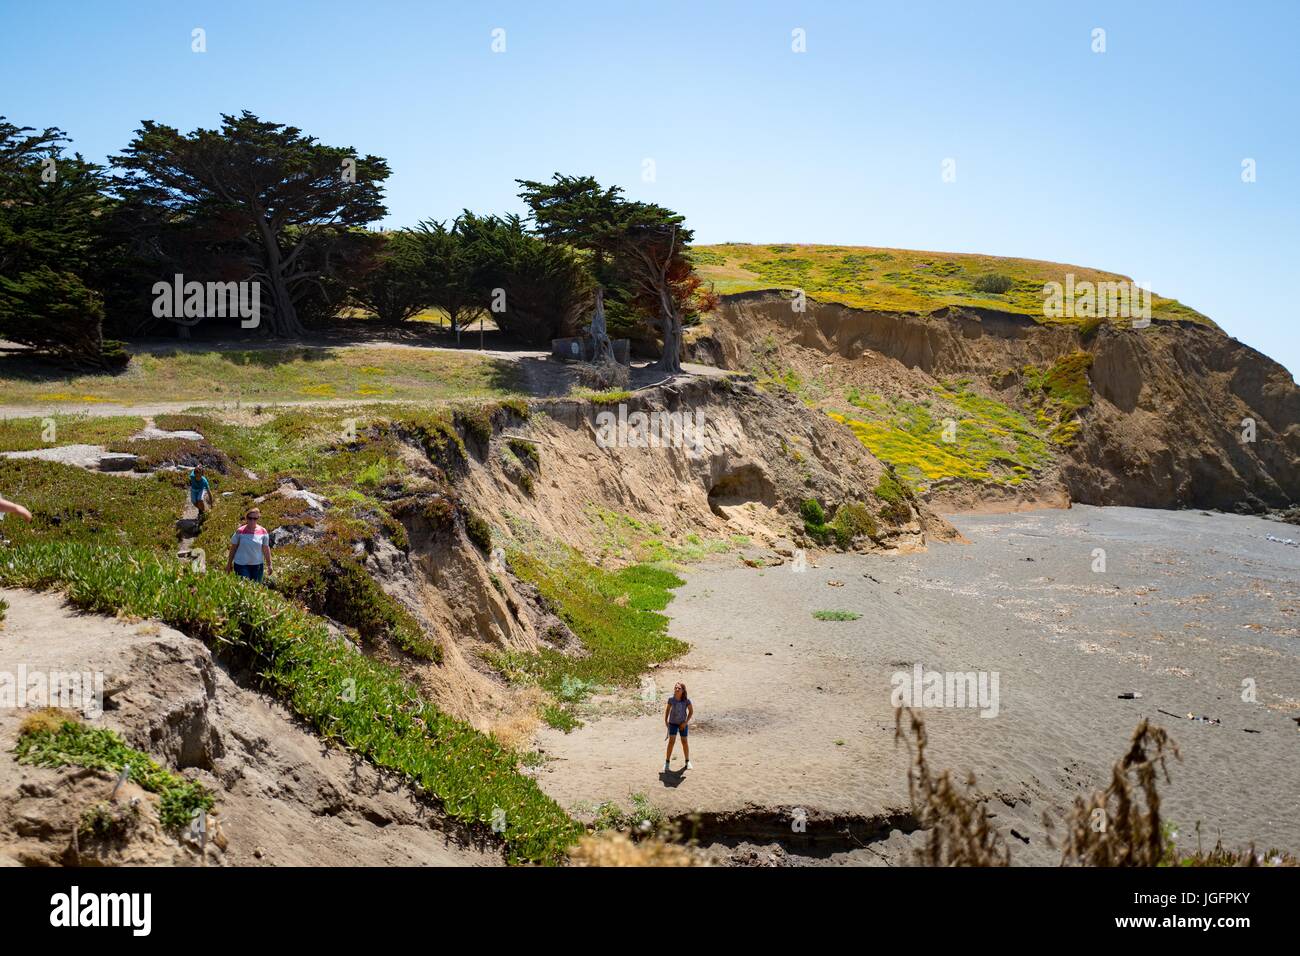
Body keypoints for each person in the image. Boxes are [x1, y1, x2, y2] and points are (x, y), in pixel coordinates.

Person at [226, 507, 272, 583]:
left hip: (257, 566)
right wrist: (229, 564)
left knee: (256, 588)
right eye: (250, 518)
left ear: (258, 518)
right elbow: (233, 548)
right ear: (246, 518)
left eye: (255, 518)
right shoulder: (240, 531)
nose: (252, 520)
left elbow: (266, 549)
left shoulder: (263, 531)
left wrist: (269, 565)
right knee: (245, 586)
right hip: (241, 564)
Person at [663, 682, 693, 772]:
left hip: (682, 723)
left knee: (684, 742)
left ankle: (687, 761)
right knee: (671, 742)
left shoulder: (686, 700)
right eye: (675, 688)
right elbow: (667, 710)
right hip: (672, 723)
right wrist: (666, 721)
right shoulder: (671, 699)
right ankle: (667, 762)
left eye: (679, 688)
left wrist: (685, 722)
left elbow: (691, 711)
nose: (676, 689)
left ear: (683, 690)